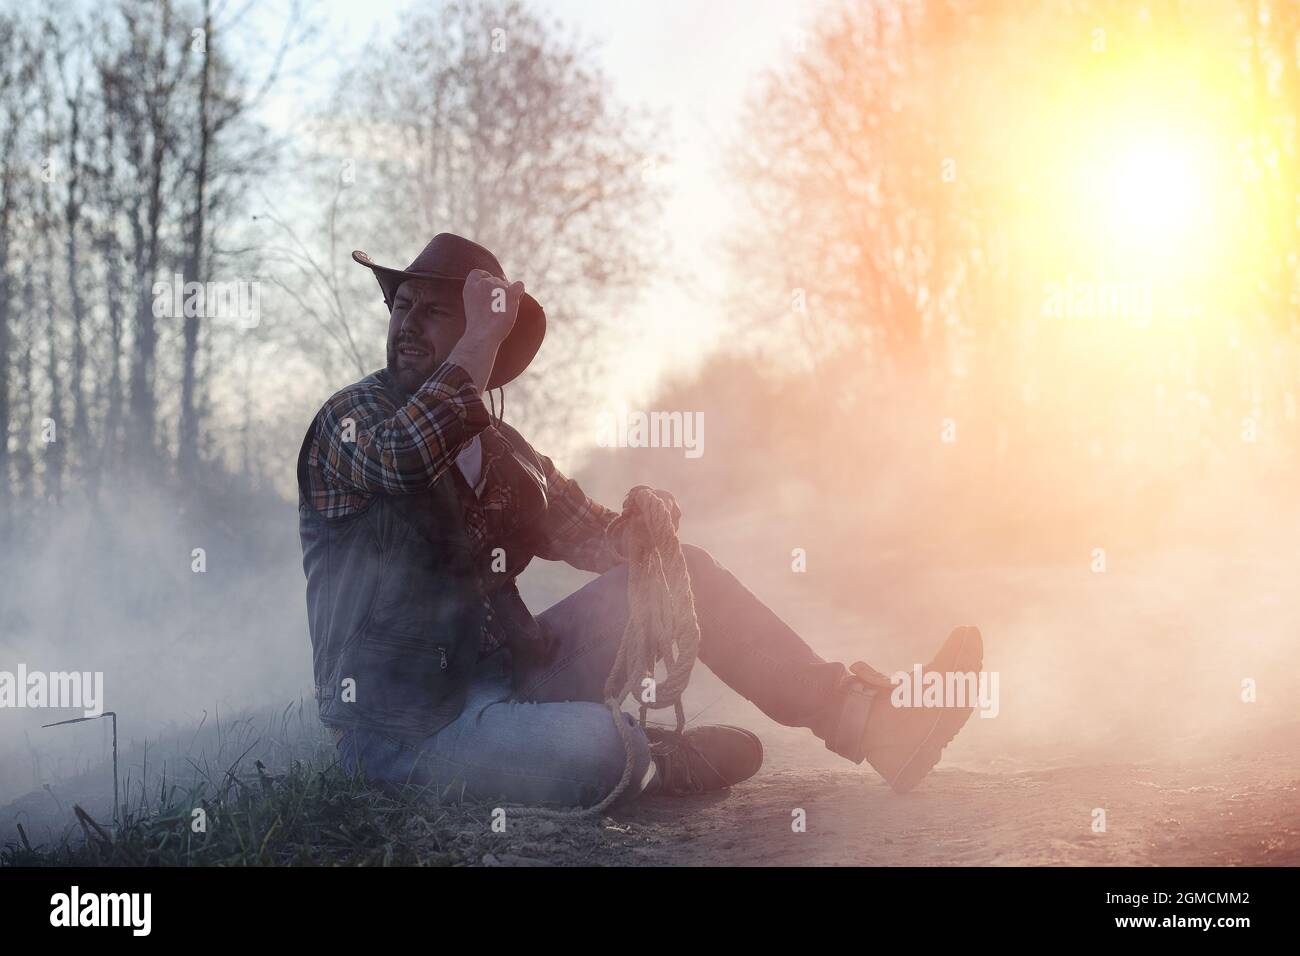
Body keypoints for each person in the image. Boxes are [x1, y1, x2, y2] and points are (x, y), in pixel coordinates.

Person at [297, 233, 983, 808]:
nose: (408, 322)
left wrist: (644, 526)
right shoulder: (351, 420)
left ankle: (866, 721)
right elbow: (406, 458)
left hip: (503, 678)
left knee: (689, 575)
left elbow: (596, 538)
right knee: (598, 746)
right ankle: (648, 758)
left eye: (436, 311)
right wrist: (479, 333)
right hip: (399, 733)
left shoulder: (507, 455)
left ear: (490, 338)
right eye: (403, 305)